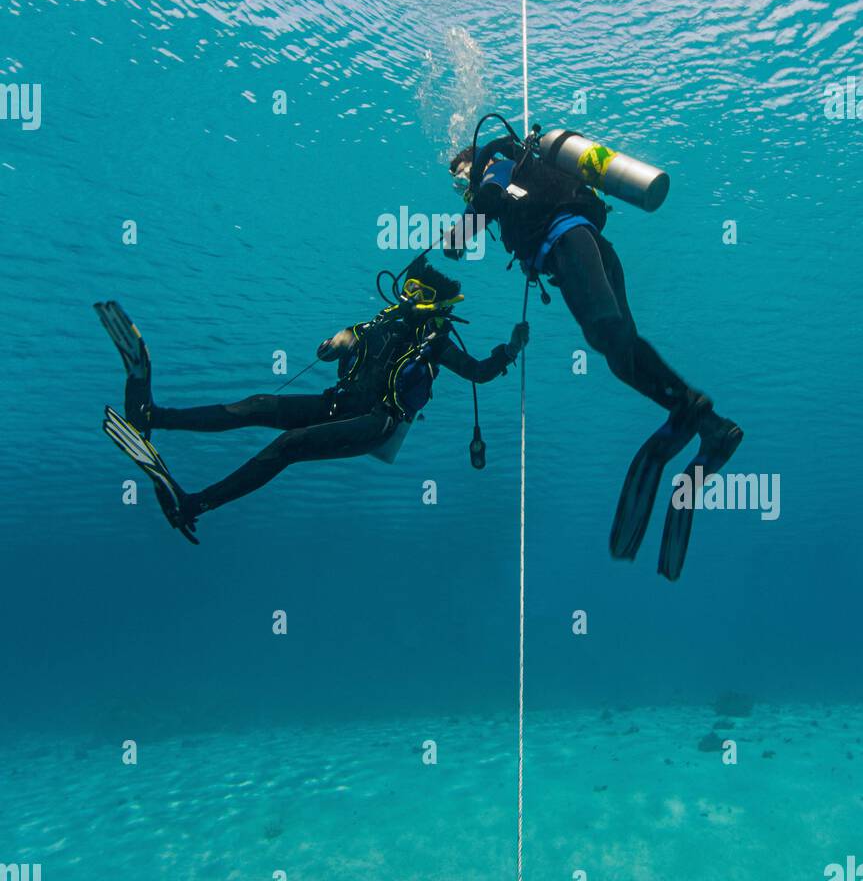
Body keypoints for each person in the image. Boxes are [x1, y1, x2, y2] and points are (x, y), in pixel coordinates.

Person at [447, 129, 743, 579]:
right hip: (594, 248)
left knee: (608, 336)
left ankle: (692, 406)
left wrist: (456, 235)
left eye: (459, 177)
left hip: (569, 245)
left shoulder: (497, 165)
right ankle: (708, 425)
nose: (460, 185)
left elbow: (486, 199)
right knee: (620, 354)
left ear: (471, 163)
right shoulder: (534, 166)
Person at [95, 256, 529, 544]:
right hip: (338, 402)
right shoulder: (373, 325)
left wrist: (509, 350)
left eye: (422, 294)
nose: (410, 297)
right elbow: (329, 350)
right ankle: (155, 417)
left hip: (376, 423)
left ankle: (195, 504)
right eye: (410, 287)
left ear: (437, 304)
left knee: (290, 445)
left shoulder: (434, 341)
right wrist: (335, 342)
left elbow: (477, 372)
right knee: (258, 405)